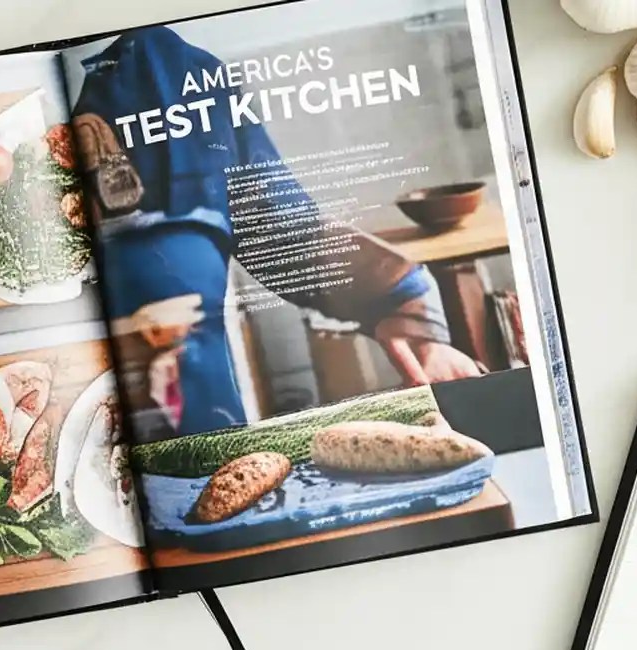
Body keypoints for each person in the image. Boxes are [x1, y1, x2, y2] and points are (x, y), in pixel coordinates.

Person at [73, 27, 481, 436]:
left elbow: (283, 232)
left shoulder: (166, 70)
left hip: (186, 436)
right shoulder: (153, 68)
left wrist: (406, 307)